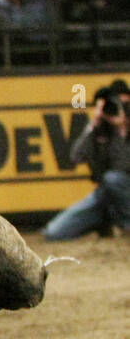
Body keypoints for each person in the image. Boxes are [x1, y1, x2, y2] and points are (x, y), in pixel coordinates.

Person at [43, 80, 130, 240]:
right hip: (105, 194)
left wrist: (122, 129)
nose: (119, 110)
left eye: (124, 105)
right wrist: (94, 124)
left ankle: (125, 225)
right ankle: (108, 221)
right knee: (54, 232)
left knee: (113, 179)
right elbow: (75, 157)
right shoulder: (99, 130)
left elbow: (124, 166)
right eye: (114, 105)